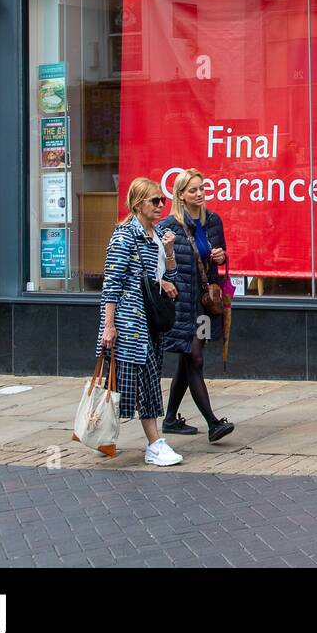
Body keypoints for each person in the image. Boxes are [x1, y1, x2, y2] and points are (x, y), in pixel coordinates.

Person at [98, 176, 184, 467]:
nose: (161, 205)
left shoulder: (158, 235)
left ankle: (102, 435)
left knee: (124, 384)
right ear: (137, 204)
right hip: (129, 321)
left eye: (162, 200)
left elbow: (169, 281)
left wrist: (170, 253)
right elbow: (112, 283)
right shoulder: (124, 237)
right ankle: (154, 444)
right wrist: (108, 326)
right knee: (141, 382)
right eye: (154, 201)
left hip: (152, 322)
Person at [158, 168, 235, 443]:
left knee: (188, 358)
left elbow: (222, 257)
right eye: (193, 190)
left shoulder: (213, 221)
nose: (200, 193)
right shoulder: (168, 226)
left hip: (204, 305)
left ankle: (169, 420)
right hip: (181, 304)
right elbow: (162, 265)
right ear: (180, 194)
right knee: (195, 358)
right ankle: (213, 423)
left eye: (202, 188)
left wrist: (221, 256)